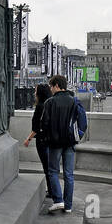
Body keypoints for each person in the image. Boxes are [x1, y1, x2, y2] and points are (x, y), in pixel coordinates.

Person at [29, 79, 87, 214]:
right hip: (69, 142)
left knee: (53, 171)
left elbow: (44, 124)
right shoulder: (74, 100)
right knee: (69, 174)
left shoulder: (50, 102)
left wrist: (48, 138)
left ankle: (58, 200)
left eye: (51, 86)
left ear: (56, 86)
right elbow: (83, 121)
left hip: (55, 143)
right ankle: (68, 206)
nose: (50, 88)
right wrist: (76, 136)